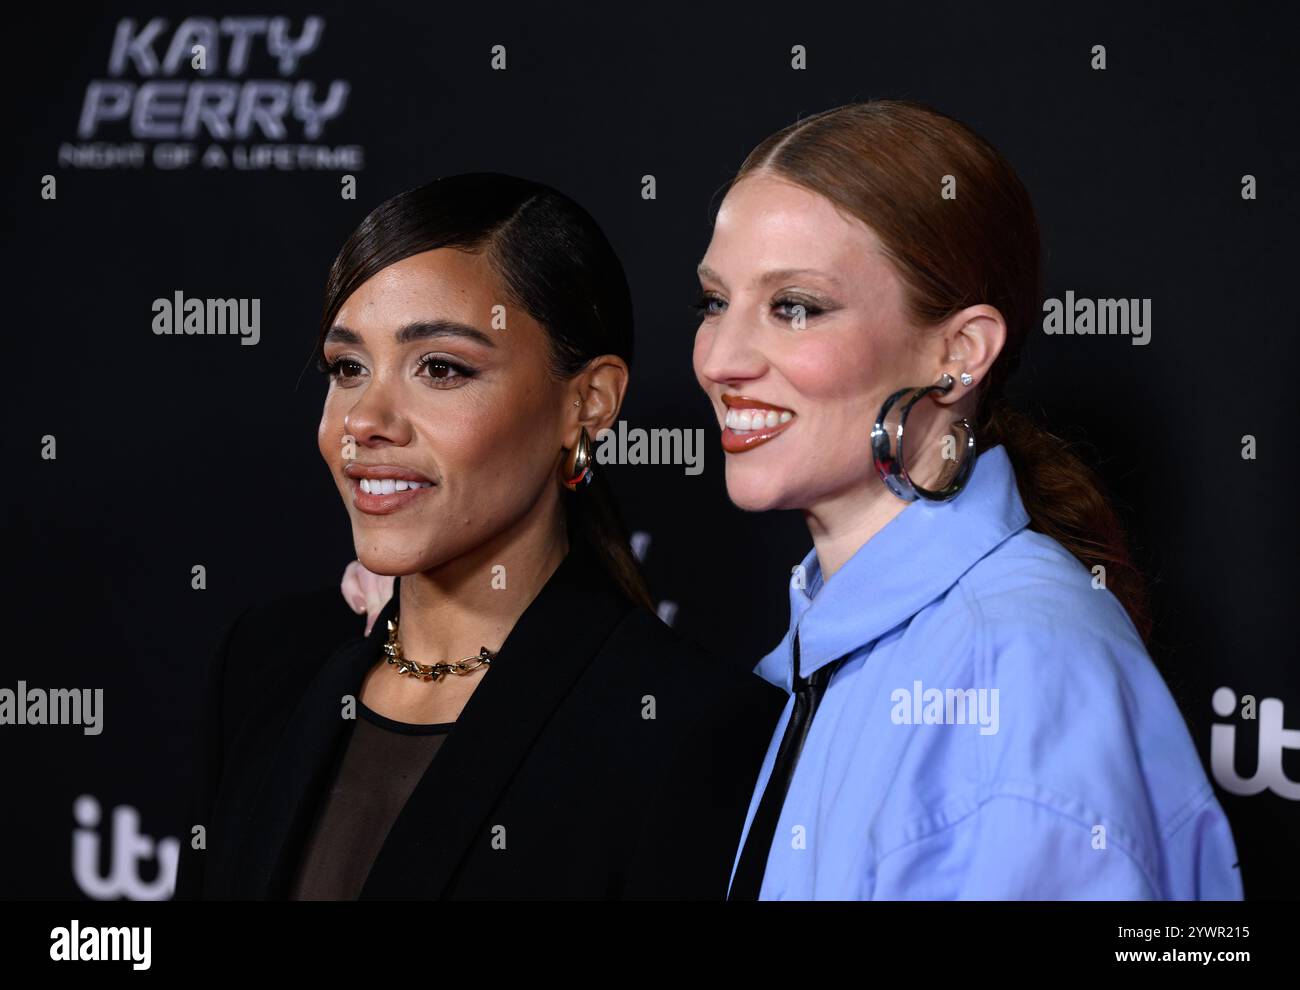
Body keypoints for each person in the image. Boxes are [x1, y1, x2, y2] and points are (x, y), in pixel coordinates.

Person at [341, 102, 1245, 900]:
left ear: (959, 353)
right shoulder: (825, 660)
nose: (721, 359)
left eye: (797, 308)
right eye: (715, 302)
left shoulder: (1023, 673)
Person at [172, 172, 786, 900]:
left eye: (440, 368)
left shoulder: (686, 729)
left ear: (587, 404)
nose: (365, 421)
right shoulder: (266, 663)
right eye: (348, 367)